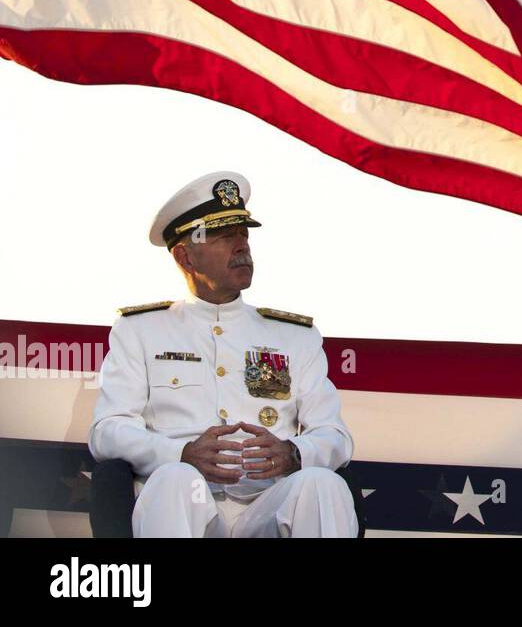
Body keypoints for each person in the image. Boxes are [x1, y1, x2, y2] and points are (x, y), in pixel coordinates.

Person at [89, 171, 357, 537]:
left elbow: (334, 435)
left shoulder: (295, 336)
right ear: (185, 256)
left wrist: (294, 453)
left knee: (323, 484)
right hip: (185, 504)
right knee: (175, 478)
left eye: (243, 234)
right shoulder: (141, 330)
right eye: (224, 236)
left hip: (267, 503)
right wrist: (179, 454)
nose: (242, 246)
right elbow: (107, 431)